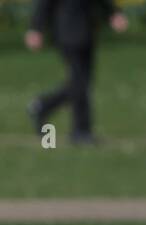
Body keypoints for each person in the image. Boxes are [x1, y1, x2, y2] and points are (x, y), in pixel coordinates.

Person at [26, 0, 128, 146]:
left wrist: (113, 14)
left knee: (82, 83)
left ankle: (42, 106)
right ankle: (80, 131)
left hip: (87, 32)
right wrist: (36, 29)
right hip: (67, 33)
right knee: (80, 83)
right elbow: (45, 3)